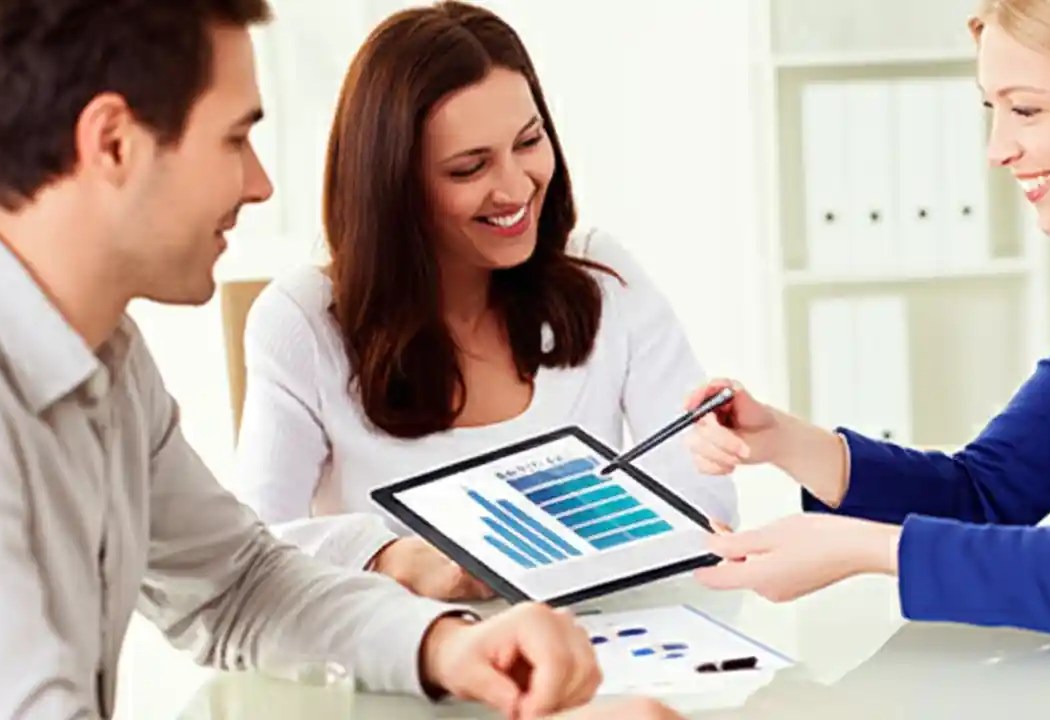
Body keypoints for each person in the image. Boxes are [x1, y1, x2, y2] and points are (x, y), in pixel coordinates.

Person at [0, 1, 609, 717]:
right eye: (234, 139)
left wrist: (442, 646)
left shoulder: (107, 357)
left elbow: (238, 584)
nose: (259, 183)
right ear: (114, 143)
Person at [684, 0, 1050, 669]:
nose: (998, 150)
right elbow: (989, 491)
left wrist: (860, 550)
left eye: (1027, 110)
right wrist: (785, 441)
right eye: (993, 110)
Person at [233, 0, 737, 601]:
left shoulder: (603, 278)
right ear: (394, 187)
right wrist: (391, 557)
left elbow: (705, 510)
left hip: (602, 660)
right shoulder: (303, 321)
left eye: (529, 141)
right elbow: (256, 552)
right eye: (470, 168)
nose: (517, 188)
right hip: (410, 675)